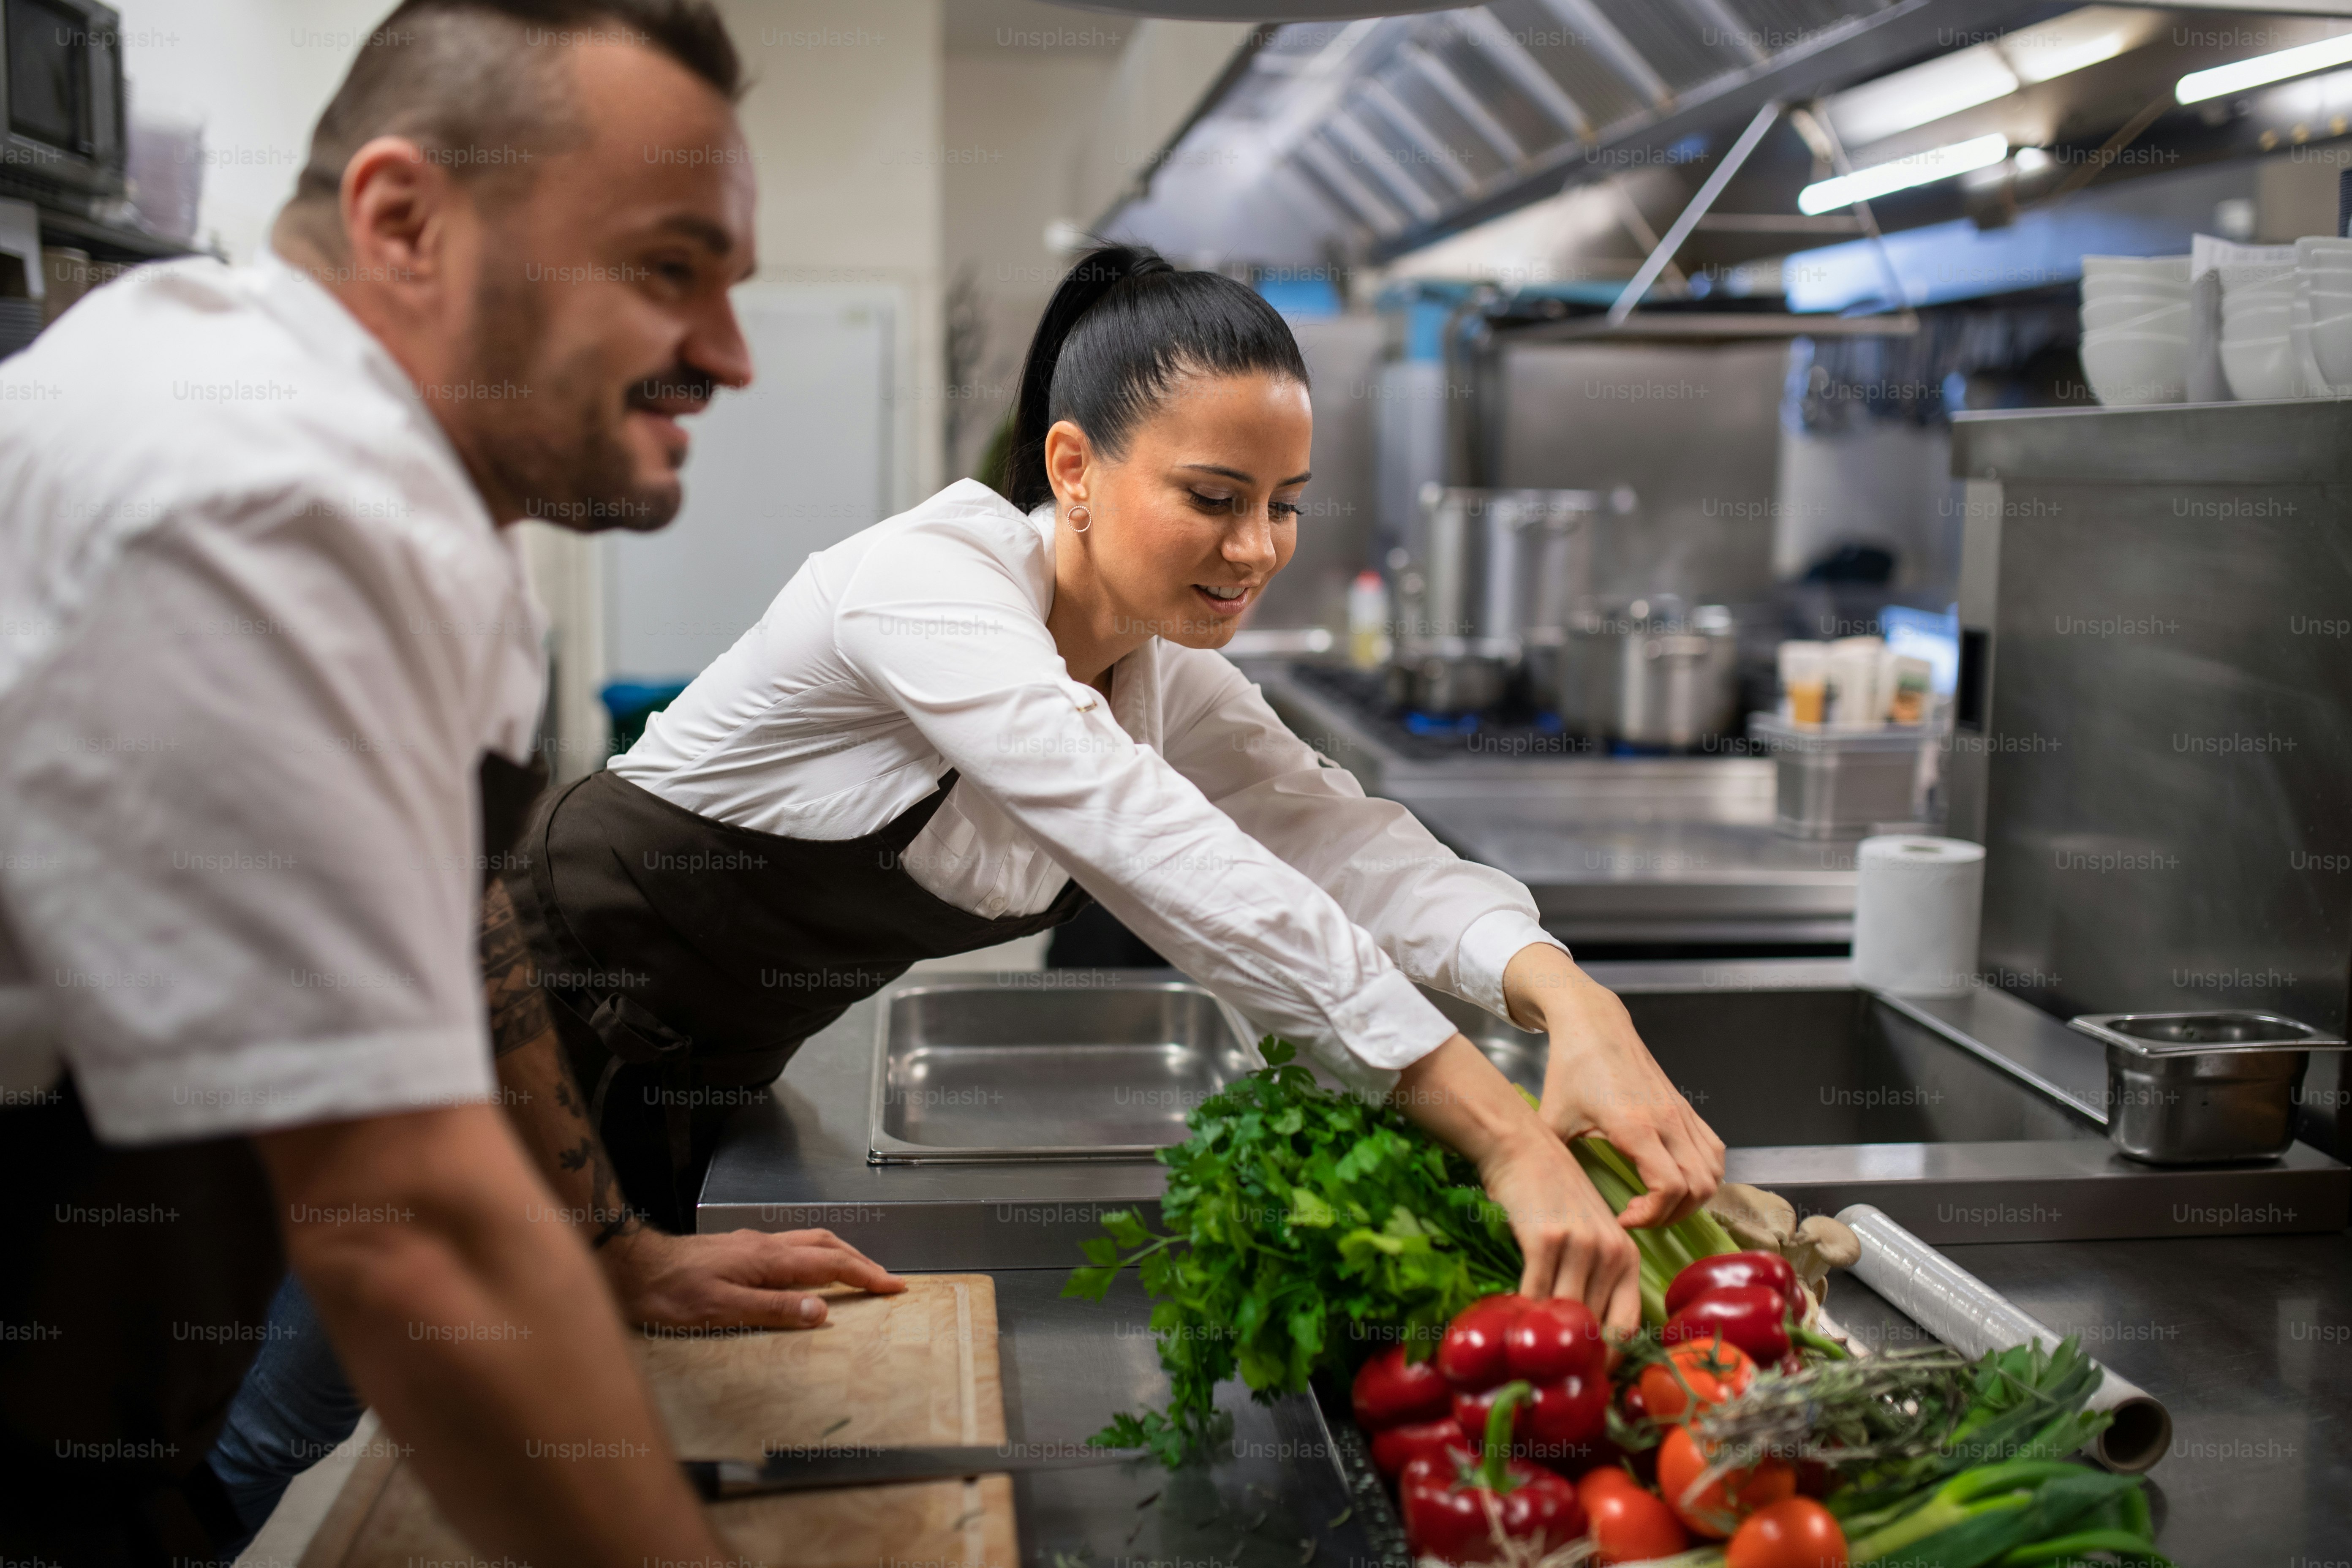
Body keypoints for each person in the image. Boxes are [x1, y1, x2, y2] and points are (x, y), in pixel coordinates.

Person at [0, 3, 881, 1562]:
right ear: (404, 221)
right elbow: (414, 1230)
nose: (730, 357)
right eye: (669, 269)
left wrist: (604, 1246)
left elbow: (461, 933)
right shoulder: (257, 496)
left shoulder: (376, 491)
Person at [480, 244, 1728, 1323]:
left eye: (1285, 507)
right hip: (523, 1040)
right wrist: (1505, 1139)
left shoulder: (1155, 667)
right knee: (313, 1411)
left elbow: (1338, 840)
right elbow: (1167, 854)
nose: (1257, 551)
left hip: (706, 1080)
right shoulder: (930, 587)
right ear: (1073, 469)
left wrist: (1572, 1001)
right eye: (1213, 499)